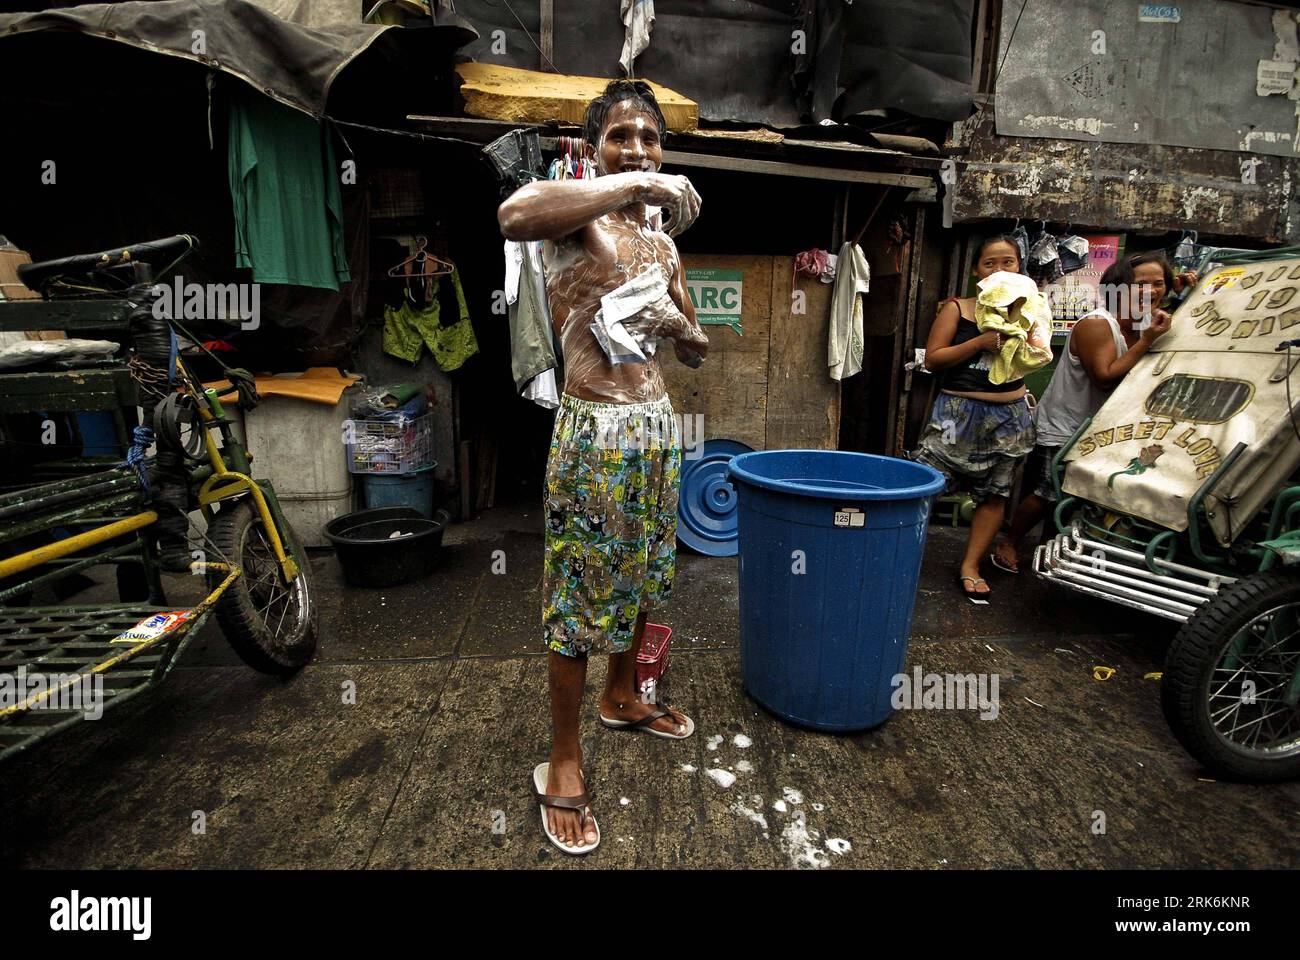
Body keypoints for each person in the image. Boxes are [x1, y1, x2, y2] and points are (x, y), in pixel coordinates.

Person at [497, 79, 709, 854]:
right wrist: (637, 183)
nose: (640, 149)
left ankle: (622, 696)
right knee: (580, 599)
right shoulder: (575, 217)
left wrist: (679, 327)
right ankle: (561, 761)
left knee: (649, 577)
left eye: (651, 140)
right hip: (595, 432)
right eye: (622, 136)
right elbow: (512, 215)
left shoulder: (662, 242)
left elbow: (695, 344)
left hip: (655, 429)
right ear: (594, 148)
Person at [990, 251, 1191, 572]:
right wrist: (1148, 341)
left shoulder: (1140, 323)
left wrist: (1183, 293)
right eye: (1141, 284)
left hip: (1099, 430)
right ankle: (1010, 541)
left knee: (1076, 496)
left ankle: (1050, 552)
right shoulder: (1098, 325)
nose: (1151, 291)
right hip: (1063, 427)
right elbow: (1105, 377)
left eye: (1159, 284)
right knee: (1047, 493)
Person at [914, 235, 1036, 599]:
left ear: (1019, 267)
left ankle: (970, 566)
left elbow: (1039, 355)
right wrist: (979, 342)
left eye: (1008, 262)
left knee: (995, 495)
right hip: (958, 412)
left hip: (1010, 417)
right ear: (975, 271)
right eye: (990, 263)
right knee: (927, 483)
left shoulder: (1032, 310)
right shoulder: (958, 308)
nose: (999, 270)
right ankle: (903, 553)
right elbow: (933, 359)